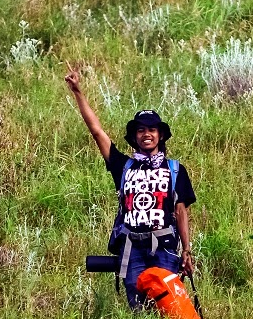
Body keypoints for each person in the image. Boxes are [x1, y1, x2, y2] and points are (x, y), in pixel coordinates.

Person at [65, 67, 196, 306]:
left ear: (161, 135)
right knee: (138, 307)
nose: (147, 134)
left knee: (168, 307)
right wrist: (78, 92)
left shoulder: (175, 169)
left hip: (164, 247)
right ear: (134, 136)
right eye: (141, 130)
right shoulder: (123, 166)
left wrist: (186, 250)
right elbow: (96, 132)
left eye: (152, 129)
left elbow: (181, 212)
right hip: (132, 247)